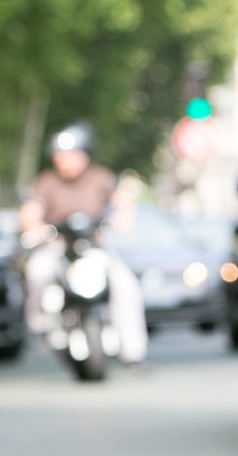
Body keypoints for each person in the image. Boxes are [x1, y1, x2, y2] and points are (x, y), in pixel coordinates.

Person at [19, 124, 148, 366]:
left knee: (126, 286)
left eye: (71, 155)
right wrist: (33, 227)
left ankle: (134, 353)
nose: (65, 161)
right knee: (37, 272)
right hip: (58, 245)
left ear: (84, 155)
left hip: (93, 247)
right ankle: (38, 326)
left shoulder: (101, 178)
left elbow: (123, 203)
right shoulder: (47, 182)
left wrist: (122, 219)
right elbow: (31, 211)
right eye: (61, 155)